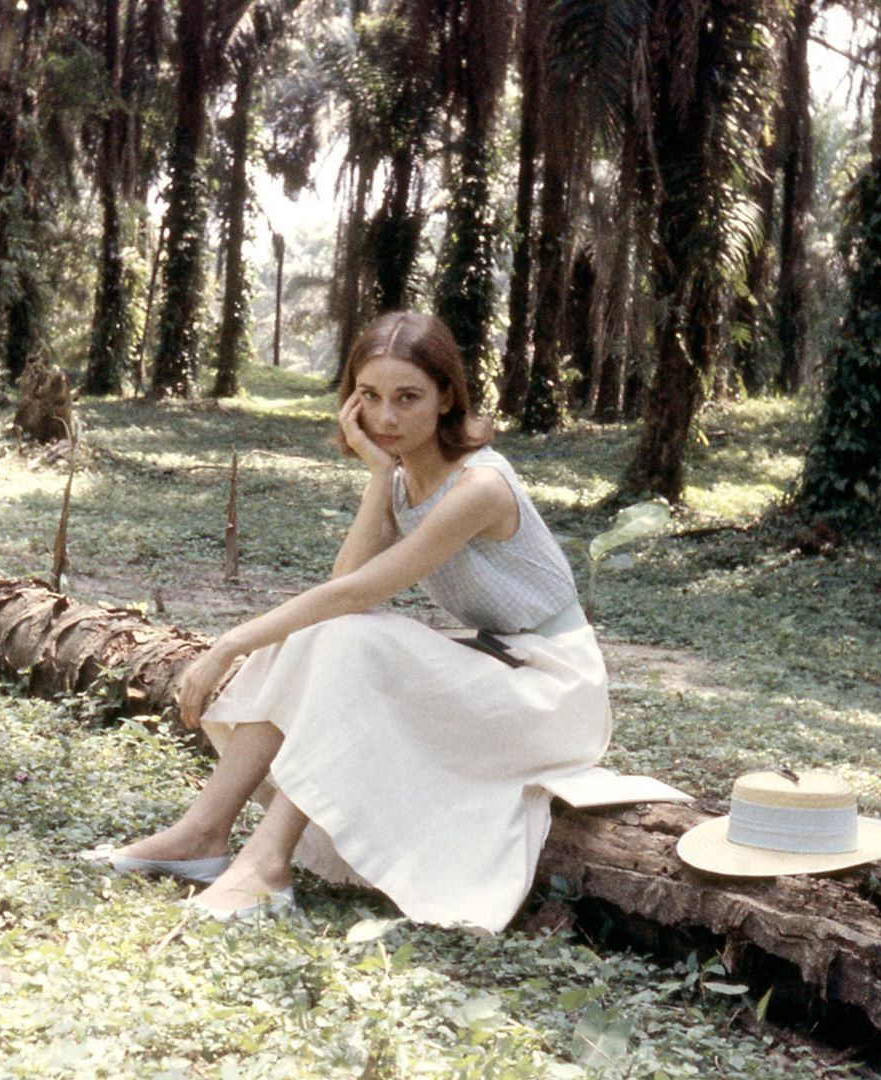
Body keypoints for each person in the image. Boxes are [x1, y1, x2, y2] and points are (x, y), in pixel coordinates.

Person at [83, 312, 611, 932]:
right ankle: (203, 831)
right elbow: (343, 587)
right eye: (370, 397)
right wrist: (378, 476)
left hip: (553, 694)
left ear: (447, 396)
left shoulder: (481, 486)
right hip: (497, 666)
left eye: (408, 398)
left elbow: (358, 592)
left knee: (351, 639)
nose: (387, 419)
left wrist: (231, 642)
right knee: (323, 633)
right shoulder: (403, 477)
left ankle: (266, 863)